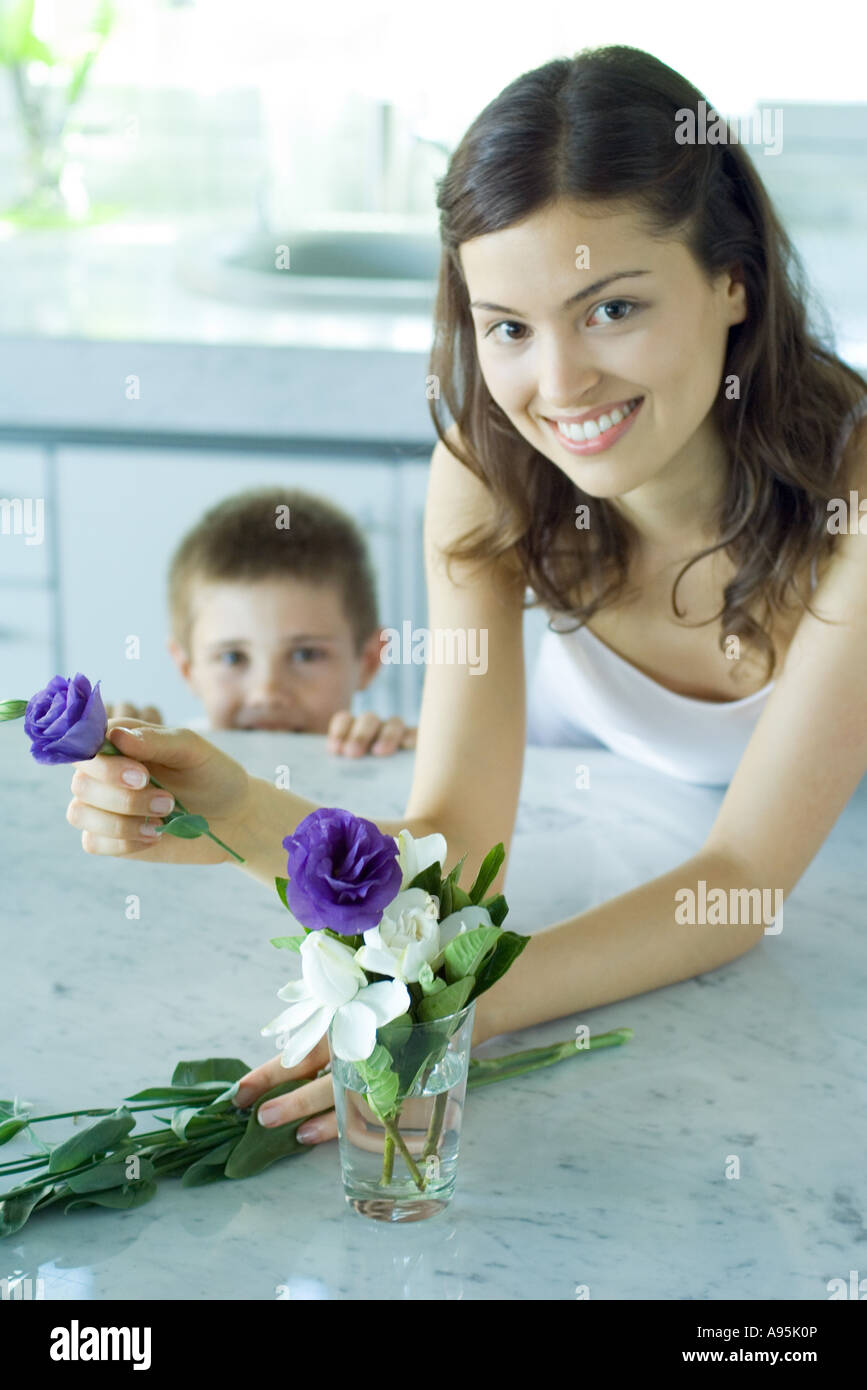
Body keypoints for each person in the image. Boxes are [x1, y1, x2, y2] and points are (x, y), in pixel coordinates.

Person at [67, 45, 867, 1149]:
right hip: (633, 863)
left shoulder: (854, 496)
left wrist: (445, 1012)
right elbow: (454, 843)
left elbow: (741, 882)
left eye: (613, 308)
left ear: (735, 280)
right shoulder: (491, 466)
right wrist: (234, 807)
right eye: (509, 327)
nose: (560, 384)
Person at [103, 487, 417, 759]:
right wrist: (115, 752)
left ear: (369, 661)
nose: (267, 692)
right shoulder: (163, 768)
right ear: (187, 667)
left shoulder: (380, 755)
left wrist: (400, 762)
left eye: (305, 654)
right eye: (232, 658)